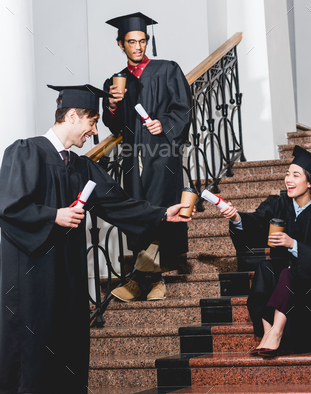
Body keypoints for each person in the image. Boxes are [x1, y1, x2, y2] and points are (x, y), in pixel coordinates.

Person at [0, 84, 193, 394]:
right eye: (92, 122)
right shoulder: (26, 152)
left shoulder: (81, 166)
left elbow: (117, 203)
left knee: (69, 342)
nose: (94, 131)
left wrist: (159, 214)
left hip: (68, 272)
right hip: (33, 274)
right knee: (34, 348)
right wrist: (54, 215)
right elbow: (10, 206)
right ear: (73, 116)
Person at [220, 146, 311, 357]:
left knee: (289, 272)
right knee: (265, 268)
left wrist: (292, 244)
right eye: (287, 173)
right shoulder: (278, 204)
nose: (288, 179)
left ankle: (277, 332)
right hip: (283, 279)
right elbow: (257, 223)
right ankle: (268, 332)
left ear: (310, 182)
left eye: (296, 175)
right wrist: (236, 218)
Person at [103, 12, 192, 302]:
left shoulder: (168, 70)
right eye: (131, 42)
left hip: (161, 154)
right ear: (120, 44)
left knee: (157, 207)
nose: (138, 47)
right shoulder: (116, 81)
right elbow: (114, 125)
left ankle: (141, 279)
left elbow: (184, 109)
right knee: (141, 211)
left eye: (142, 41)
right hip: (132, 156)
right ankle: (152, 280)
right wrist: (114, 105)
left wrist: (163, 123)